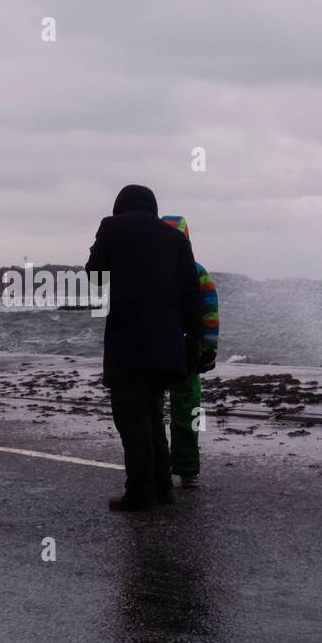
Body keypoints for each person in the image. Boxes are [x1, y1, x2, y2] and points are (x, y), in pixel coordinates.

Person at [86, 185, 202, 511]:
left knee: (132, 418)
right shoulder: (176, 239)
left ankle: (139, 492)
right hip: (167, 346)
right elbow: (191, 293)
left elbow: (94, 273)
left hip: (129, 343)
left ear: (119, 205)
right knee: (153, 415)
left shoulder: (112, 226)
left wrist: (103, 244)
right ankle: (163, 487)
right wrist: (193, 342)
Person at [159, 215, 219, 487]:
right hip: (187, 352)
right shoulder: (198, 271)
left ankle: (159, 468)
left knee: (152, 412)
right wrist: (209, 347)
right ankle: (187, 470)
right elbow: (210, 313)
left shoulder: (151, 270)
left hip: (158, 351)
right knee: (187, 411)